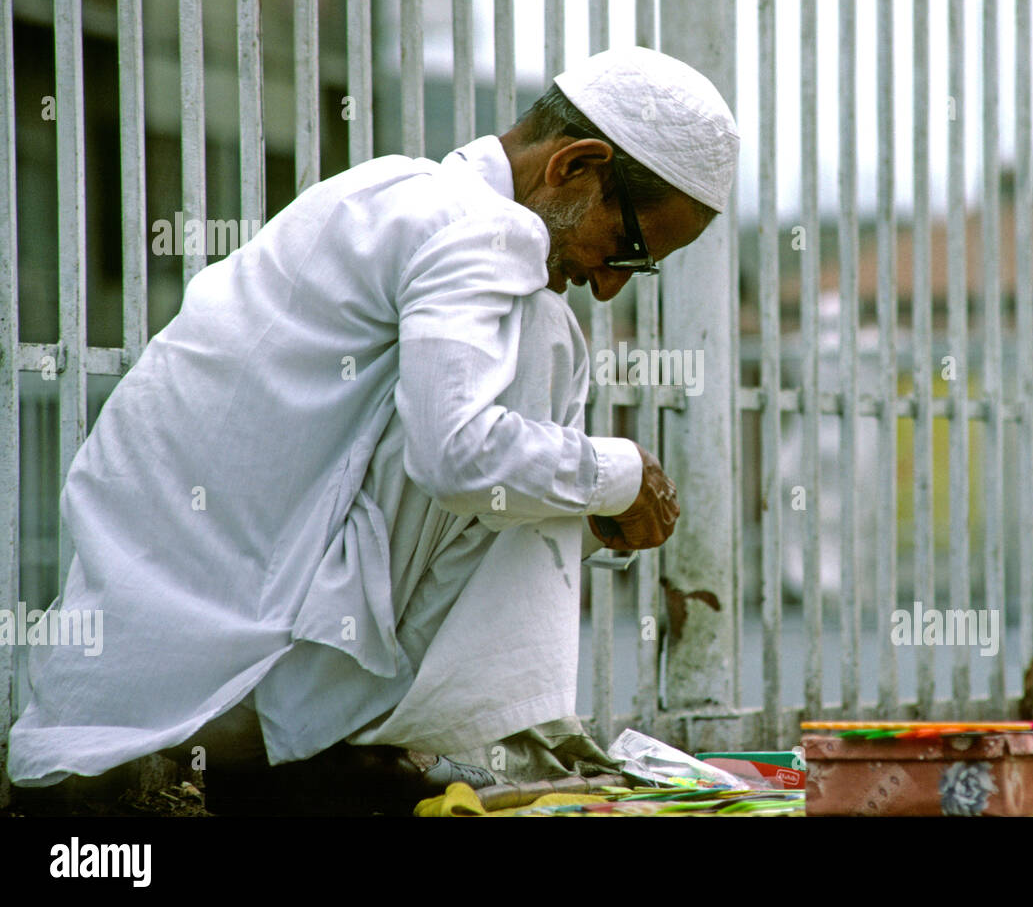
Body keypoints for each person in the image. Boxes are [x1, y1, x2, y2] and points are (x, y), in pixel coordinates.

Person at [5, 46, 740, 814]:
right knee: (545, 338)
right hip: (242, 681)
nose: (610, 284)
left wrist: (581, 506)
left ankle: (341, 737)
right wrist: (619, 473)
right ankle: (348, 739)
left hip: (130, 669)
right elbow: (455, 455)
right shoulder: (486, 230)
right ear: (574, 166)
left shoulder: (389, 191)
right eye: (627, 249)